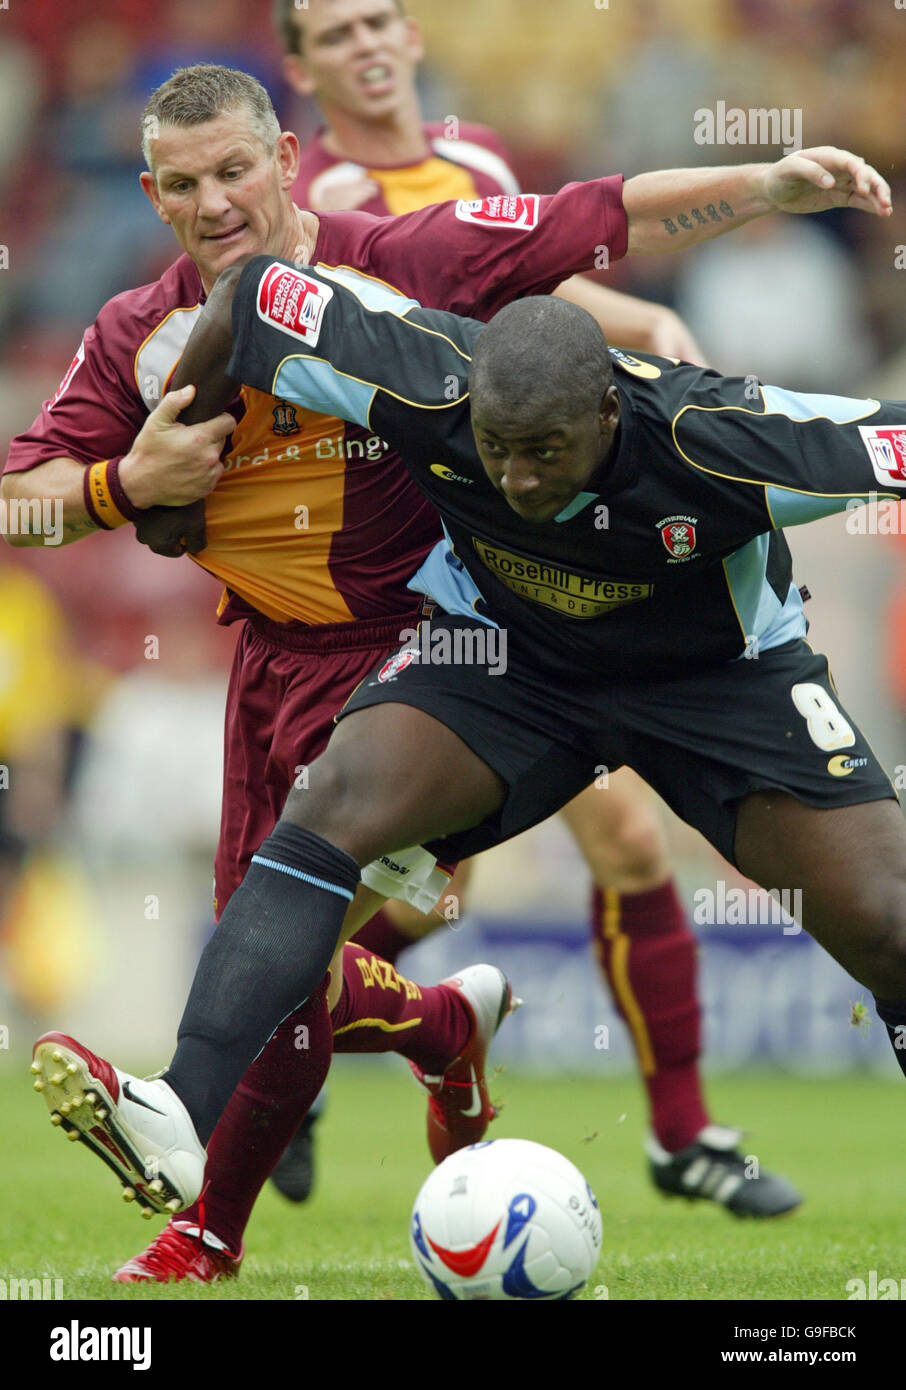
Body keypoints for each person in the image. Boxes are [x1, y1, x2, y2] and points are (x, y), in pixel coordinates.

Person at [10, 63, 891, 1270]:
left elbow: (611, 226)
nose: (520, 480)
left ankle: (652, 1119)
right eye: (180, 183)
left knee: (879, 926)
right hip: (503, 655)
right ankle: (197, 1138)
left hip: (712, 677)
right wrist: (141, 491)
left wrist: (763, 183)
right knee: (319, 834)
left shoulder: (712, 436)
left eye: (547, 459)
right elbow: (257, 301)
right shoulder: (408, 367)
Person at [270, 0, 796, 1217]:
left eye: (382, 18)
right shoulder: (325, 204)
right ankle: (280, 1052)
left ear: (410, 34)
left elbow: (522, 298)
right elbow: (418, 312)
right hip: (404, 559)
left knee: (608, 838)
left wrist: (645, 323)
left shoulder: (478, 164)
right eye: (337, 32)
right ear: (300, 71)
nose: (369, 44)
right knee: (404, 876)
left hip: (506, 552)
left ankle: (679, 1134)